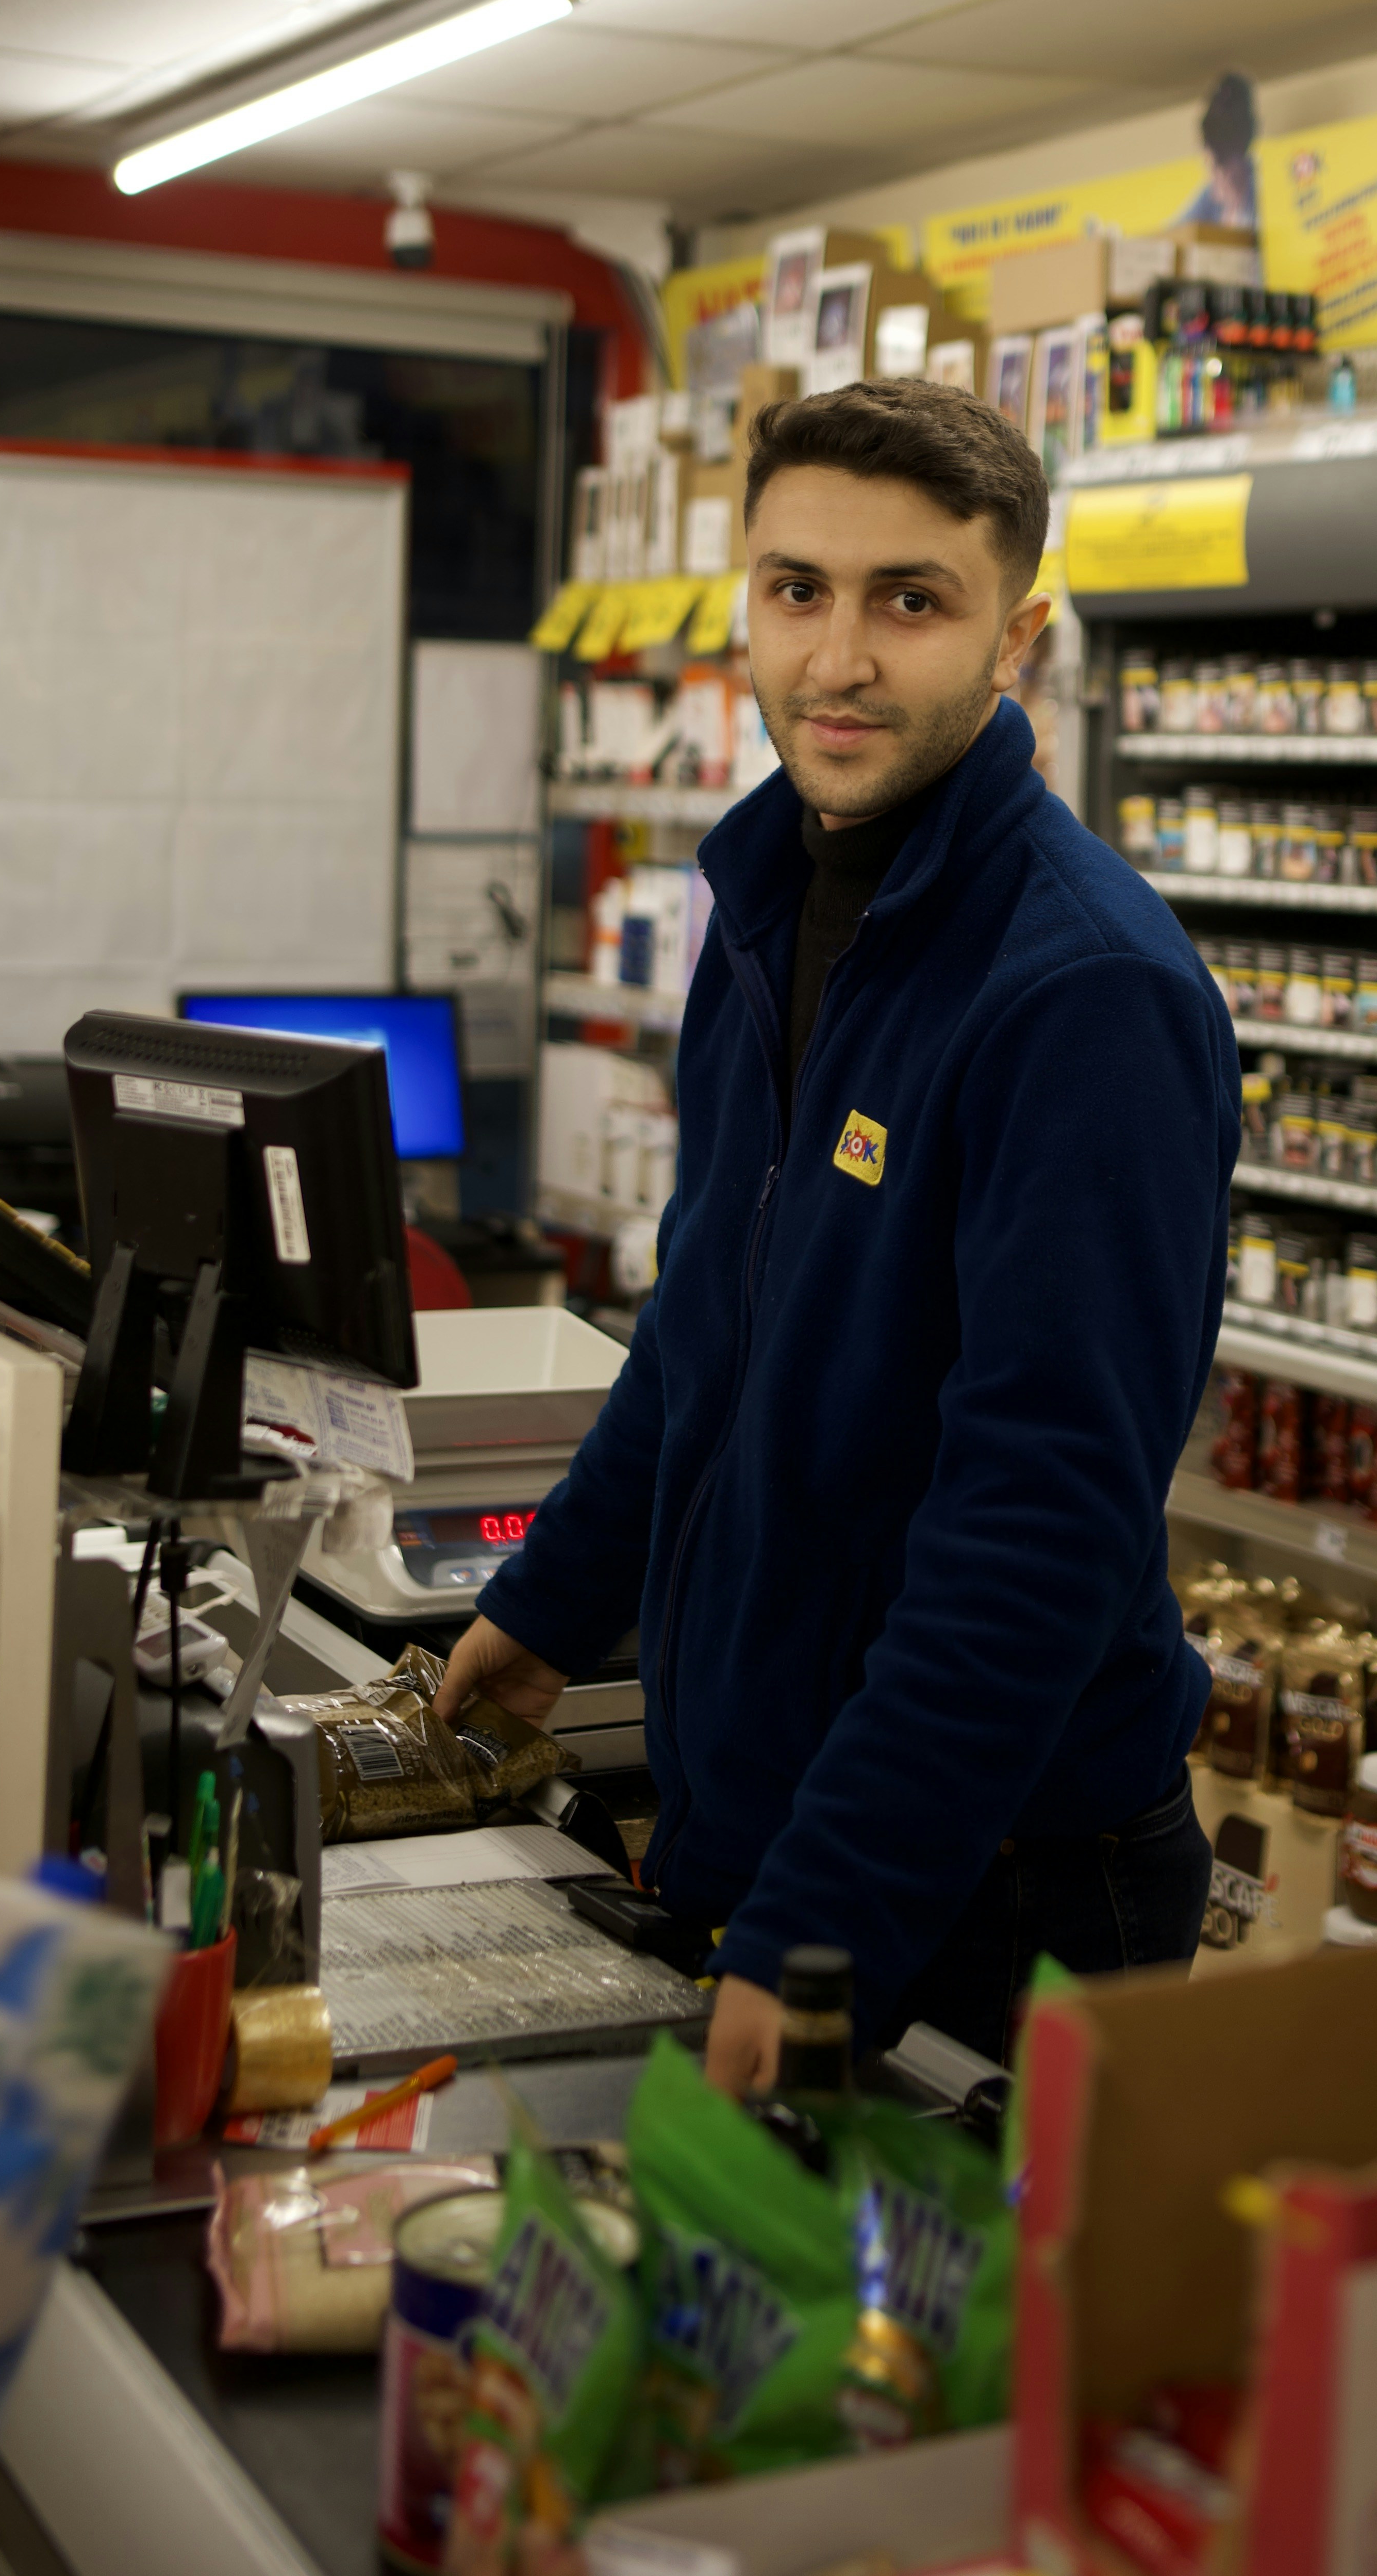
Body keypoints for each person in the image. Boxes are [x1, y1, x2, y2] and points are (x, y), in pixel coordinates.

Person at [441, 380, 1238, 2088]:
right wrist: (550, 1608)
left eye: (911, 601)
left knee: (936, 2362)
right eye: (798, 590)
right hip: (782, 1820)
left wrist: (825, 1918)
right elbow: (705, 1336)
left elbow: (1043, 1518)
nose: (840, 658)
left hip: (1004, 1885)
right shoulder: (766, 905)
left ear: (1016, 637)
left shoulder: (1083, 994)